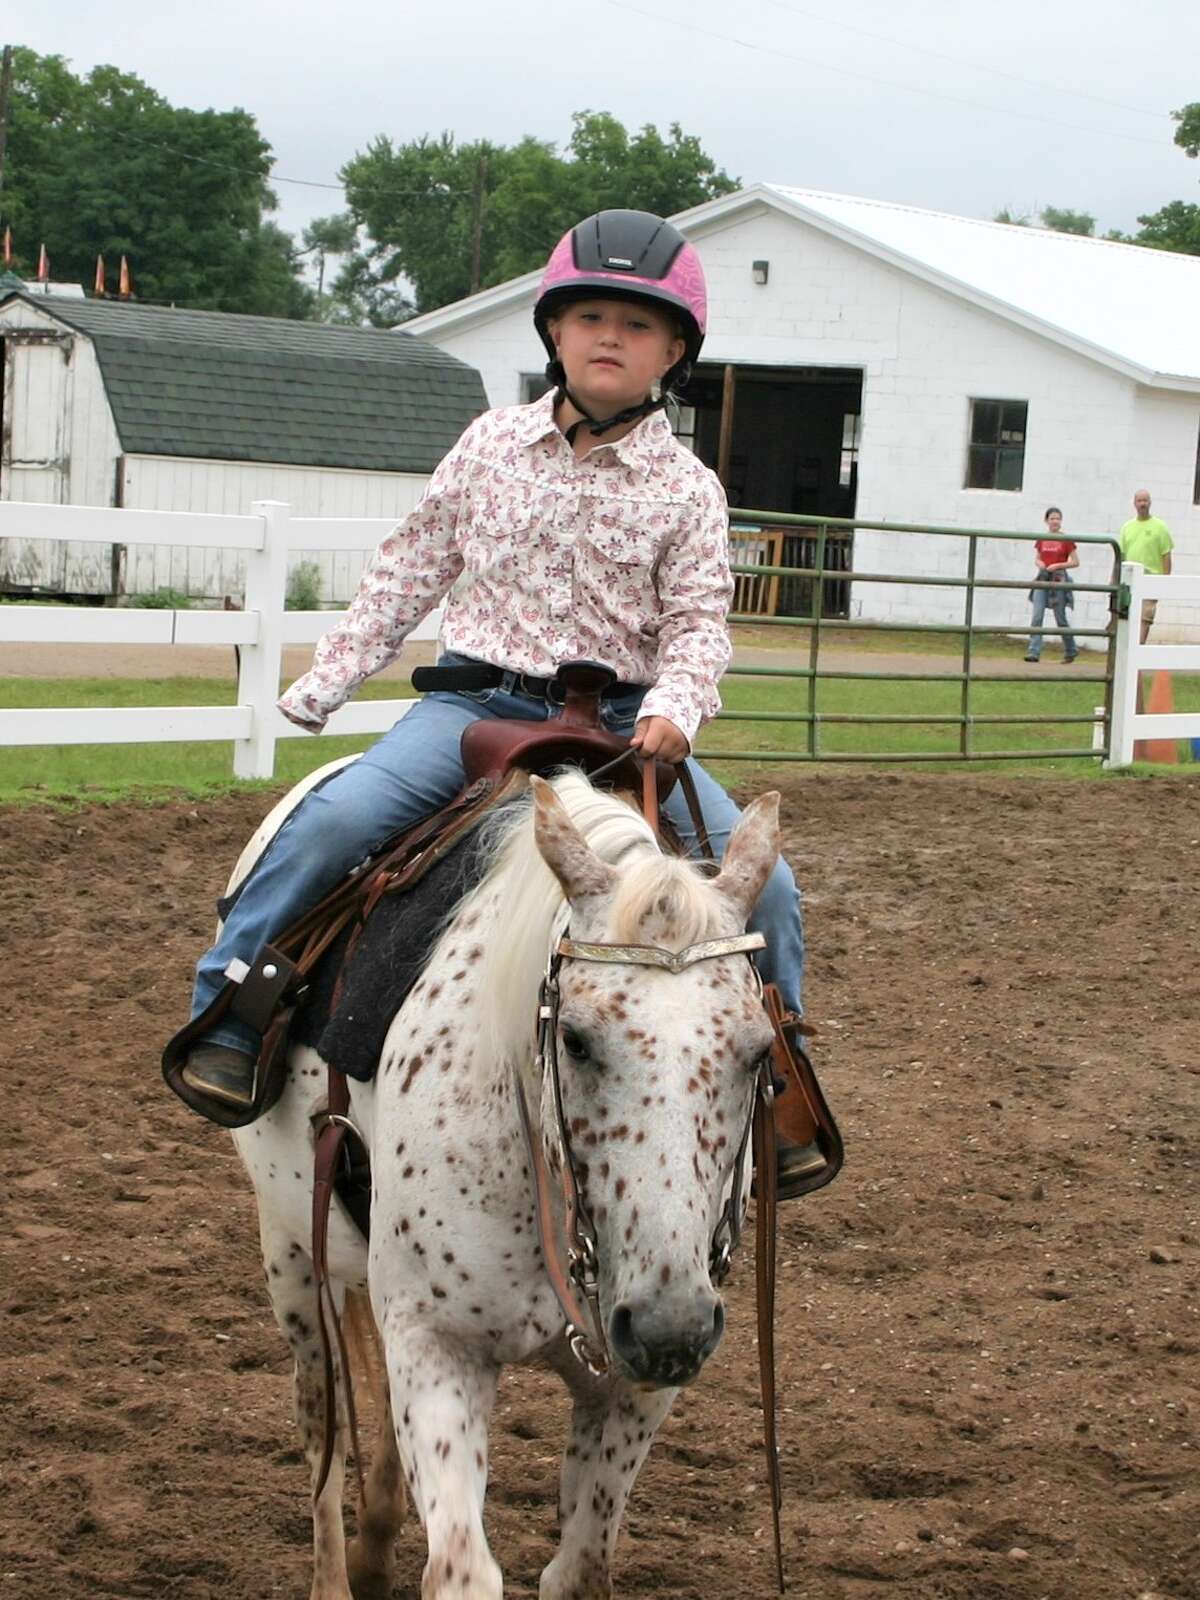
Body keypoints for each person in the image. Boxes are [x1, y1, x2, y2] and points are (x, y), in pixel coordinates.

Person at [178, 208, 819, 1191]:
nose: (611, 336)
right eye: (592, 314)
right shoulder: (487, 447)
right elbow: (408, 571)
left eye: (639, 324)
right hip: (474, 711)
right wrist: (327, 679)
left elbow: (698, 623)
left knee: (763, 884)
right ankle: (233, 1009)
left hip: (620, 728)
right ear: (554, 329)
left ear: (675, 351)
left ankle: (775, 1075)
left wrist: (678, 708)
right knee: (333, 819)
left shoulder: (687, 490)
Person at [1024, 506, 1078, 663]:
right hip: (1043, 577)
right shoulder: (1042, 538)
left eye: (1058, 518)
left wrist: (1058, 565)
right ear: (1046, 521)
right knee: (1037, 615)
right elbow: (1037, 558)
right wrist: (1039, 563)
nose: (1055, 521)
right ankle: (1033, 651)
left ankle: (1071, 649)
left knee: (1060, 618)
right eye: (1052, 518)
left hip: (1058, 578)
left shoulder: (1066, 539)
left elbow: (1075, 562)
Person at [1119, 489, 1173, 643]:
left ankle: (1138, 653)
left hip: (1151, 579)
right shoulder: (1127, 527)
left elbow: (1166, 555)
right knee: (1127, 618)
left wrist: (1165, 581)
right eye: (1139, 501)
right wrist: (1114, 579)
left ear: (1150, 503)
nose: (1142, 504)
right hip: (1130, 580)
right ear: (1134, 504)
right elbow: (1121, 556)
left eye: (1145, 500)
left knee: (1145, 617)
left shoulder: (1160, 527)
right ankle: (1129, 658)